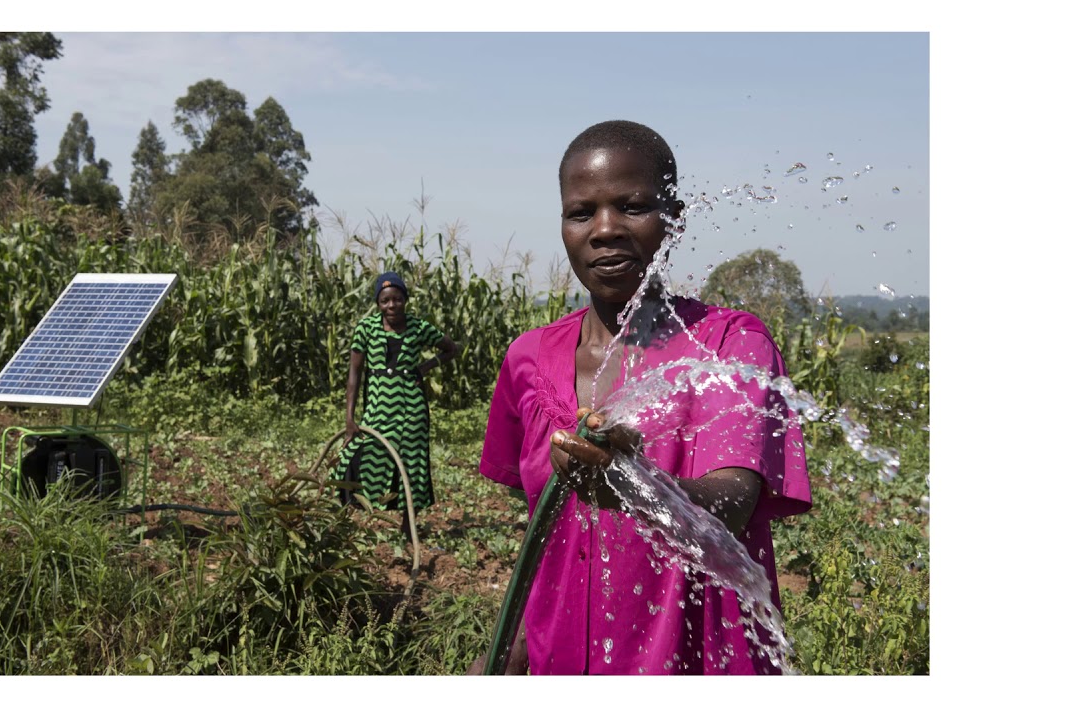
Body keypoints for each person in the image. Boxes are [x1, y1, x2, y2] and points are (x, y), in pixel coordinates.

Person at [468, 121, 812, 675]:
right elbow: (545, 543)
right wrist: (504, 664)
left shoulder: (725, 347)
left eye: (632, 206)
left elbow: (733, 503)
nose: (605, 229)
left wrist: (630, 482)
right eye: (581, 213)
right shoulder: (527, 361)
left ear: (672, 219)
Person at [335, 272, 459, 538]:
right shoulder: (366, 329)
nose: (391, 306)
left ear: (405, 300)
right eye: (385, 301)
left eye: (397, 299)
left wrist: (424, 367)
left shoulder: (418, 327)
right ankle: (350, 519)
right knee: (354, 455)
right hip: (378, 408)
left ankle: (407, 526)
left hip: (412, 409)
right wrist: (349, 420)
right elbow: (354, 376)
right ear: (378, 303)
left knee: (411, 464)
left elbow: (451, 348)